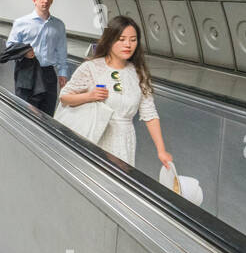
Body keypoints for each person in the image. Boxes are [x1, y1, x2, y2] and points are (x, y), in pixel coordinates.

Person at [59, 15, 172, 169]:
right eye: (122, 39)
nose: (128, 44)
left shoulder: (139, 73)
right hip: (95, 136)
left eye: (133, 40)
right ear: (110, 40)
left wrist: (161, 150)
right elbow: (64, 97)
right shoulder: (92, 68)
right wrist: (89, 96)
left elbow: (149, 113)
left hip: (125, 140)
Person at [5, 0, 71, 116]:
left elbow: (61, 50)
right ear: (34, 0)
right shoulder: (21, 22)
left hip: (48, 74)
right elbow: (10, 45)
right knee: (25, 113)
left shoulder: (58, 25)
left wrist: (63, 72)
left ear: (52, 0)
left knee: (47, 115)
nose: (45, 1)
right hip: (26, 71)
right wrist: (24, 52)